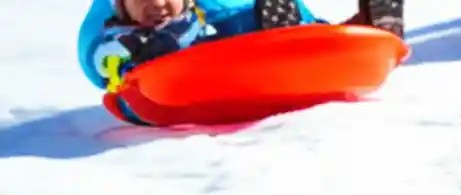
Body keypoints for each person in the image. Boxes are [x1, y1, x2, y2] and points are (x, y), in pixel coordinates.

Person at [81, 0, 403, 92]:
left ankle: (345, 33)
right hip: (160, 88)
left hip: (208, 68)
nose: (158, 4)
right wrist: (128, 55)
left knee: (254, 15)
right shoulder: (118, 34)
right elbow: (100, 58)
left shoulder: (193, 13)